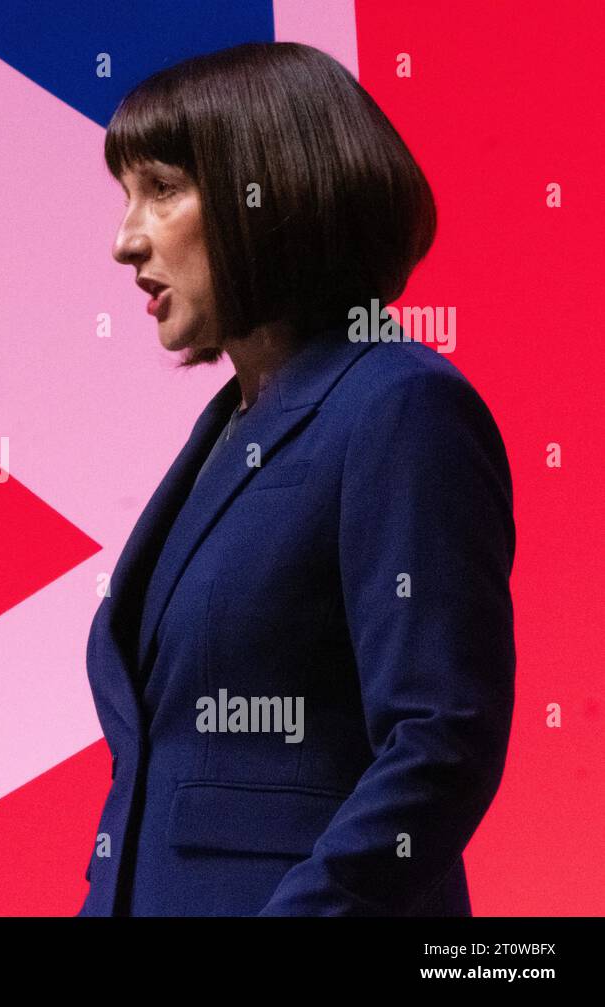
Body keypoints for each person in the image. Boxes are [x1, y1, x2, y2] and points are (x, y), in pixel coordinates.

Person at [78, 41, 515, 916]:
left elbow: (440, 740)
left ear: (270, 190)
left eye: (162, 189)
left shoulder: (399, 407)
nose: (125, 239)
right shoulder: (226, 435)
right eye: (127, 199)